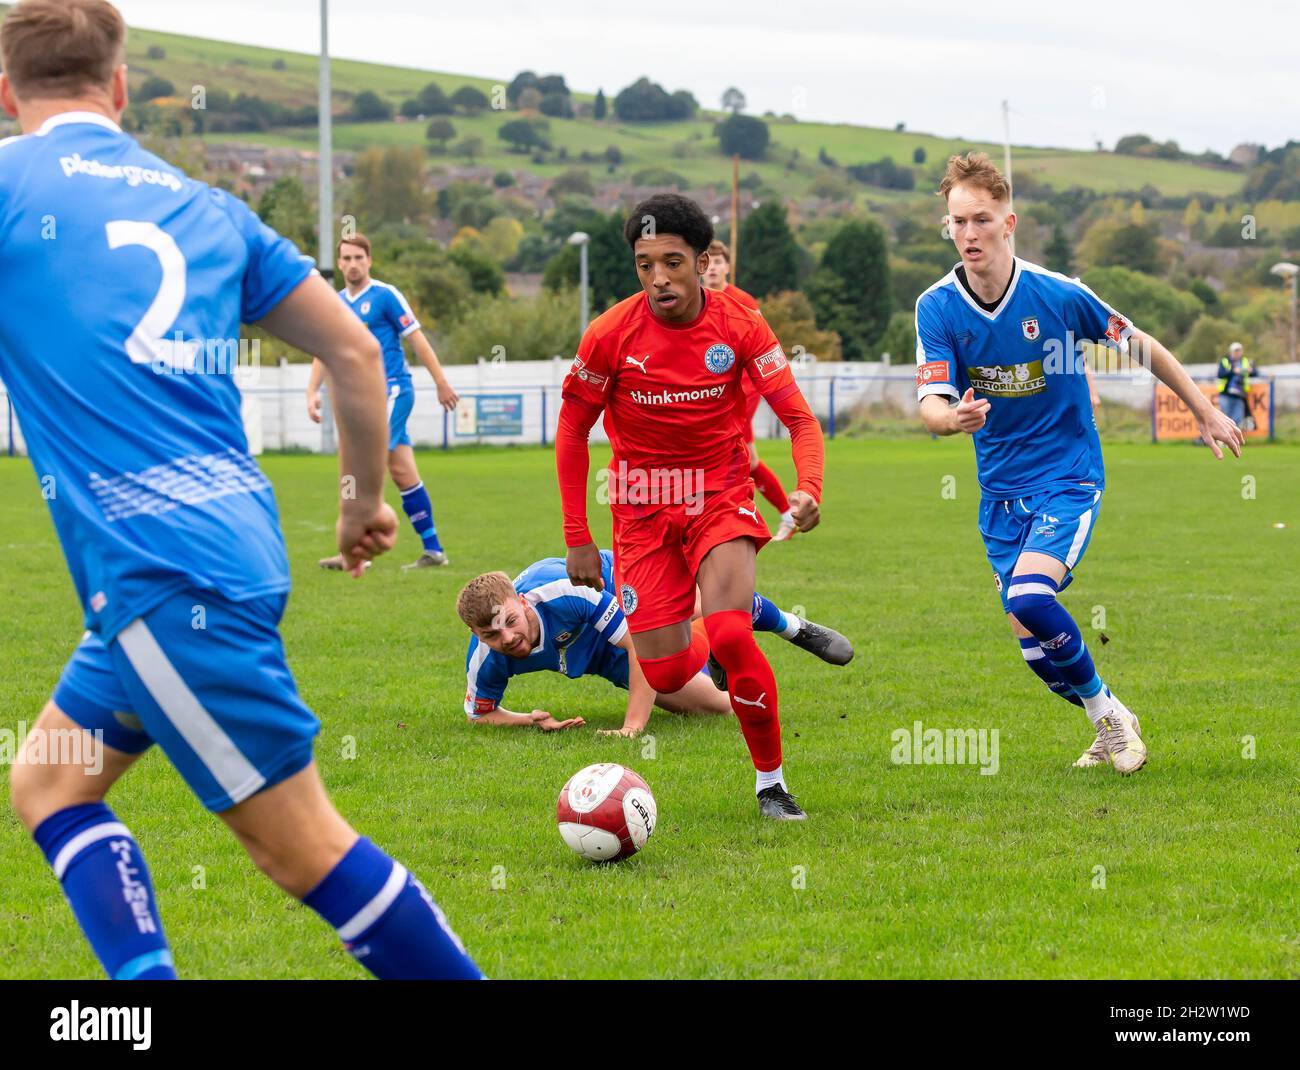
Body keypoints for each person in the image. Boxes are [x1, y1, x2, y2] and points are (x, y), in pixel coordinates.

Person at [0, 0, 481, 979]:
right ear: (122, 87)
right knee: (50, 784)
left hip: (162, 575)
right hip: (223, 550)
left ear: (6, 91)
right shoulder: (206, 205)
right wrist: (359, 500)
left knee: (300, 845)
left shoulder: (11, 186)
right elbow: (350, 349)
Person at [914, 153, 1243, 774]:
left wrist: (1202, 411)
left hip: (1068, 477)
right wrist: (950, 418)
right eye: (956, 222)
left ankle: (1107, 716)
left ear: (1008, 223)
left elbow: (1140, 344)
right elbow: (931, 399)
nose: (968, 234)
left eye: (980, 219)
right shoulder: (937, 307)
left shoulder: (1059, 295)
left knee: (1032, 596)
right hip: (999, 493)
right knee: (1033, 649)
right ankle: (1108, 715)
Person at [555, 193, 825, 820]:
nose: (658, 279)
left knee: (728, 635)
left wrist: (808, 486)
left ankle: (771, 785)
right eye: (644, 265)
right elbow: (572, 433)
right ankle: (772, 617)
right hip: (641, 508)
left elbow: (798, 418)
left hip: (719, 495)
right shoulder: (608, 334)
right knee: (671, 672)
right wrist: (576, 534)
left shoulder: (741, 324)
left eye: (672, 262)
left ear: (704, 262)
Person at [457, 551, 852, 737]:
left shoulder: (567, 592)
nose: (507, 638)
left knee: (703, 607)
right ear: (477, 636)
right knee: (723, 708)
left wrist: (631, 728)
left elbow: (635, 645)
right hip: (603, 655)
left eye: (510, 622)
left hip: (626, 594)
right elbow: (480, 714)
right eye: (492, 635)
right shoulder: (486, 658)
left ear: (522, 603)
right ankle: (715, 643)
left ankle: (789, 625)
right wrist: (531, 719)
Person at [307, 233, 459, 570]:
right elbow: (324, 351)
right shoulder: (335, 302)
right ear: (340, 263)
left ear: (369, 260)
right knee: (402, 472)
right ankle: (433, 550)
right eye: (345, 258)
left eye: (358, 257)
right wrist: (311, 391)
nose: (351, 264)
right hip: (361, 398)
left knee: (363, 463)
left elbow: (417, 340)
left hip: (392, 391)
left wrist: (441, 382)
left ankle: (357, 551)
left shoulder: (386, 296)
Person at [702, 240, 797, 540]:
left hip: (742, 389)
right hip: (713, 392)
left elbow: (761, 345)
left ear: (728, 267)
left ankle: (736, 519)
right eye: (709, 262)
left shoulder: (743, 300)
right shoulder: (692, 301)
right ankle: (782, 515)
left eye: (719, 262)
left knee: (735, 455)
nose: (714, 268)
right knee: (749, 460)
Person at [1216, 342, 1258, 429]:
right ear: (1231, 352)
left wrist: (1251, 371)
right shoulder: (1225, 361)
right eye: (1236, 351)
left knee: (1237, 419)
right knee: (1225, 420)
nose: (1237, 353)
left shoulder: (1245, 361)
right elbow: (1220, 374)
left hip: (1240, 396)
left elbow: (1255, 373)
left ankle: (1233, 441)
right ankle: (1223, 441)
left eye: (1239, 351)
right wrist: (1233, 371)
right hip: (1226, 395)